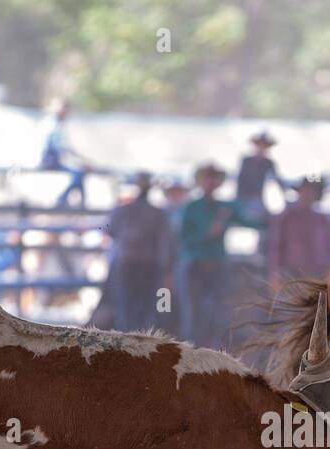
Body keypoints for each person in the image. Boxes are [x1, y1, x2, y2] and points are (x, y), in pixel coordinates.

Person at [178, 162, 262, 347]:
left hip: (217, 265)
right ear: (200, 181)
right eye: (207, 177)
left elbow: (252, 222)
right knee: (193, 313)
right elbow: (182, 238)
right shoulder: (191, 207)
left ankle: (216, 353)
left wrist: (266, 217)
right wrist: (207, 234)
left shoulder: (225, 207)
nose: (210, 181)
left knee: (220, 310)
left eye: (213, 178)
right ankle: (192, 351)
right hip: (195, 266)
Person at [104, 172, 173, 331]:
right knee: (147, 307)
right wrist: (165, 269)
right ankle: (143, 341)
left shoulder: (122, 211)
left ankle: (127, 341)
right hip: (148, 263)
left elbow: (109, 230)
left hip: (127, 262)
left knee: (126, 307)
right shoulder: (158, 213)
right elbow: (165, 242)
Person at [267, 179, 330, 287]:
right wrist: (275, 272)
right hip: (292, 273)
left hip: (318, 273)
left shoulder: (324, 220)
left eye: (312, 191)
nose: (308, 194)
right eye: (305, 190)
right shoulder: (286, 217)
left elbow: (329, 248)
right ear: (299, 192)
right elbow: (276, 246)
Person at [39, 100, 89, 208]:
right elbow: (60, 148)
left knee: (80, 174)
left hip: (54, 159)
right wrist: (78, 161)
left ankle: (80, 204)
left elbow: (65, 148)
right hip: (48, 160)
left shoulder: (56, 124)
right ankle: (62, 200)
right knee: (78, 174)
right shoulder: (52, 124)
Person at [236, 131, 284, 224]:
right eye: (260, 145)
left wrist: (286, 196)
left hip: (257, 200)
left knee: (268, 220)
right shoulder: (246, 161)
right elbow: (239, 180)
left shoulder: (269, 163)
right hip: (242, 198)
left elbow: (278, 180)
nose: (262, 148)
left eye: (265, 145)